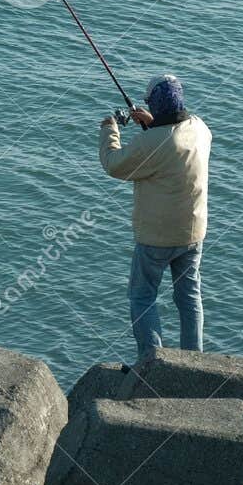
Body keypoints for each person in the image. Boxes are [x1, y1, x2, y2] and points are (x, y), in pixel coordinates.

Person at [98, 74, 211, 359]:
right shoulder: (200, 129)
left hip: (156, 238)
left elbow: (114, 165)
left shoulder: (152, 143)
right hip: (193, 234)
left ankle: (152, 361)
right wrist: (152, 122)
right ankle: (195, 361)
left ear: (157, 105)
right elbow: (172, 139)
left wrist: (109, 128)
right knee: (189, 297)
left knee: (142, 297)